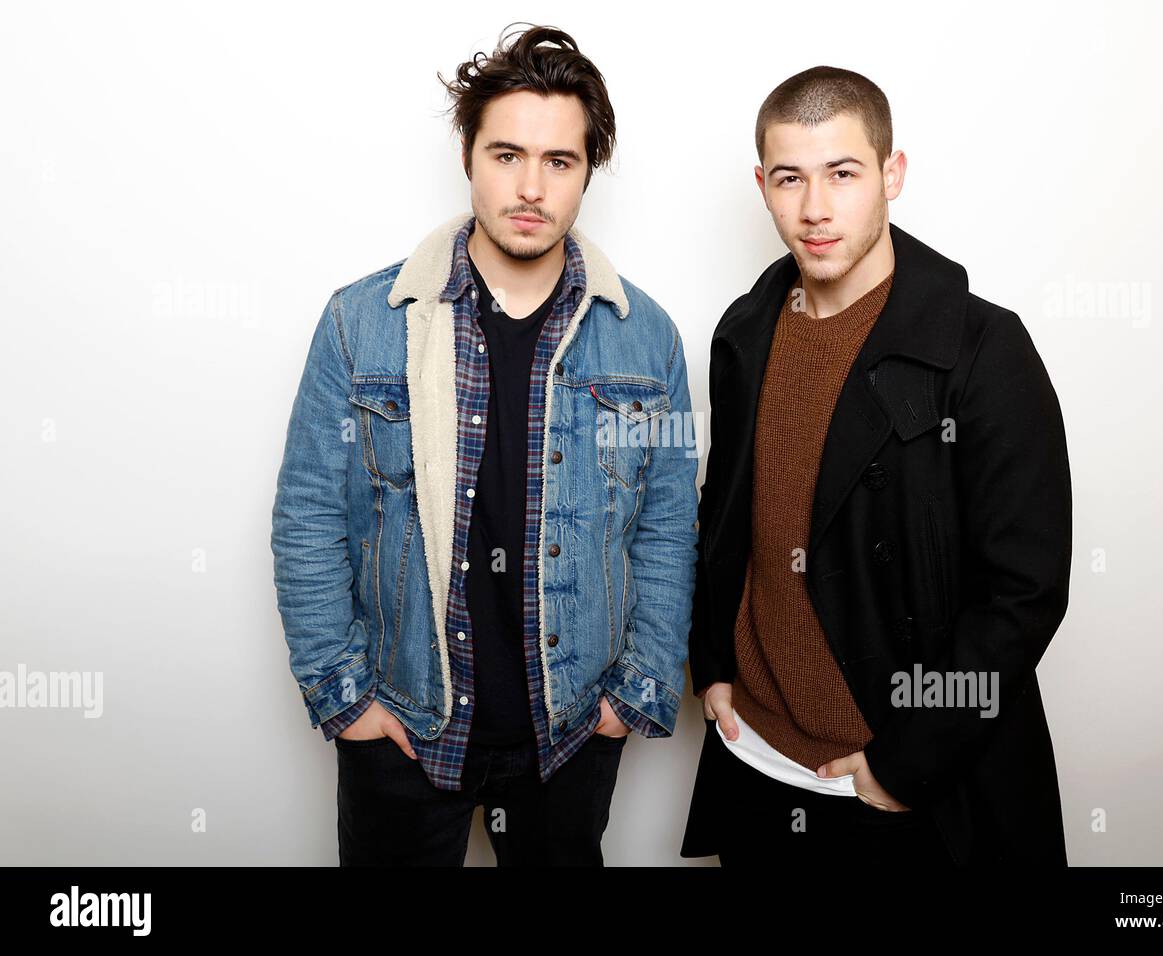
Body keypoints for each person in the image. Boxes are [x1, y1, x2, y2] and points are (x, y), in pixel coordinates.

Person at [270, 23, 698, 866]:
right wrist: (343, 696)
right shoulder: (362, 324)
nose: (530, 187)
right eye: (506, 155)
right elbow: (309, 517)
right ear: (468, 156)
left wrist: (632, 693)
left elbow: (667, 524)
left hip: (570, 731)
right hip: (402, 725)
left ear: (587, 173)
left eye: (559, 161)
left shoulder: (646, 340)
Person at [680, 66, 1073, 866]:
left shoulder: (982, 349)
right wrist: (713, 662)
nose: (815, 208)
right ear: (762, 185)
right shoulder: (746, 333)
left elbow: (1024, 594)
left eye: (843, 174)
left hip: (899, 783)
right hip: (755, 758)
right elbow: (725, 515)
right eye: (790, 178)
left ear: (892, 174)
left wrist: (901, 766)